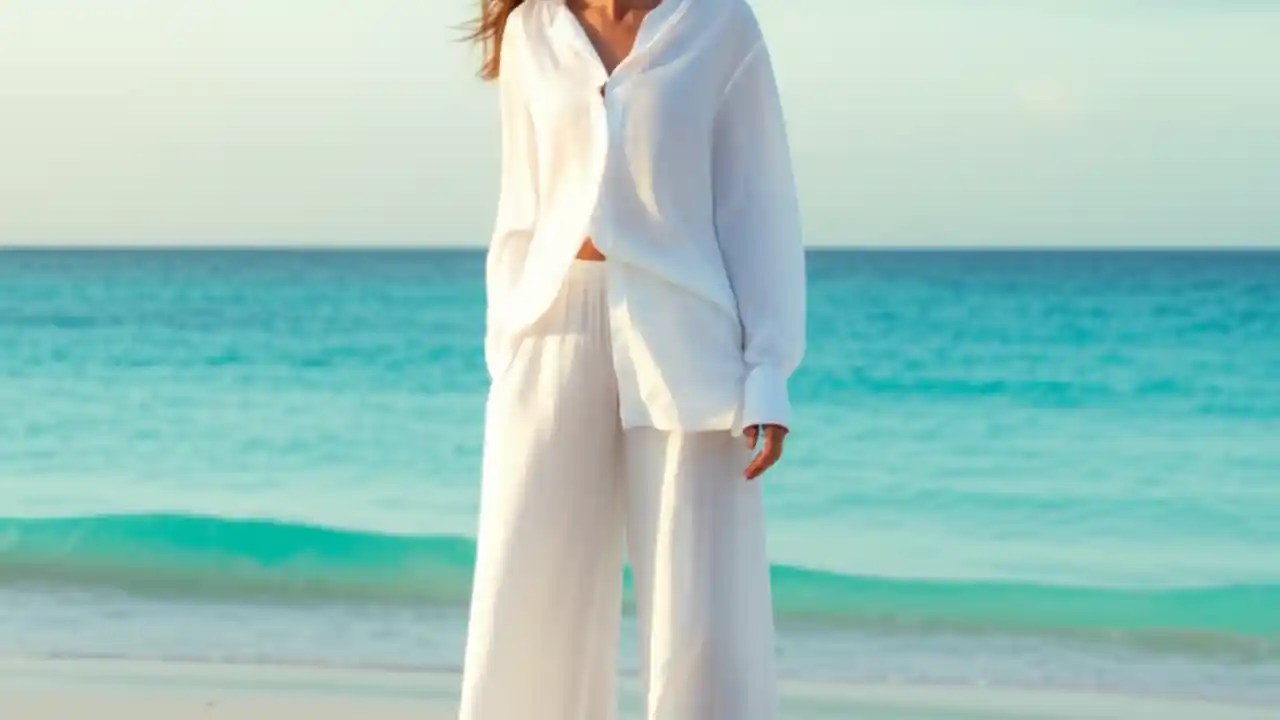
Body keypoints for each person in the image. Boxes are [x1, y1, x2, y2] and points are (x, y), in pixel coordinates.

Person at [459, 0, 805, 717]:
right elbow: (520, 204)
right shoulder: (533, 31)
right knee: (525, 585)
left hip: (686, 333)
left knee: (699, 607)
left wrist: (768, 371)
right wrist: (507, 341)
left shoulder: (720, 25)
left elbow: (758, 205)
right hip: (550, 326)